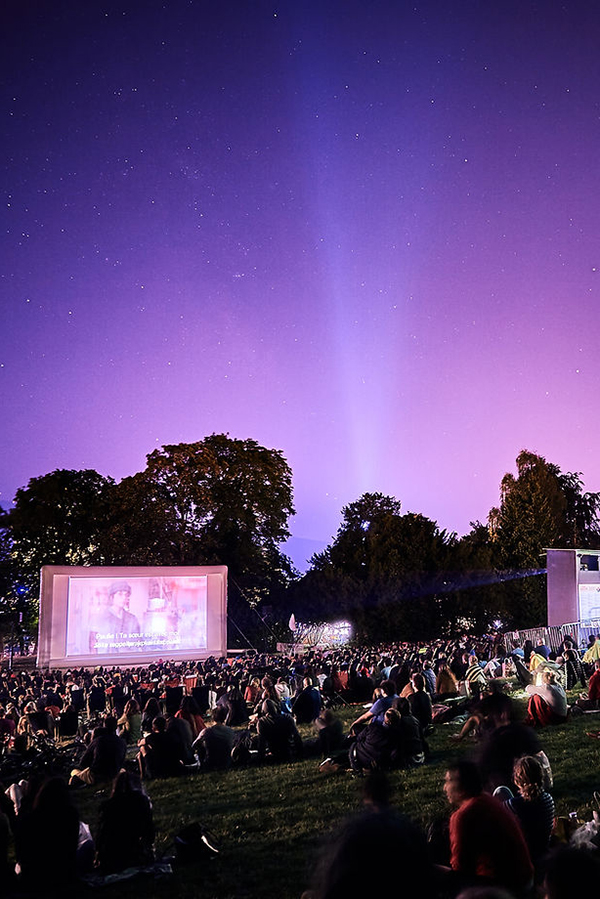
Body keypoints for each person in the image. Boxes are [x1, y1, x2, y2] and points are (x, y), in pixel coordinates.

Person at [443, 759, 534, 893]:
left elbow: (460, 867)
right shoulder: (488, 800)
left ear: (462, 786)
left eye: (449, 781)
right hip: (525, 877)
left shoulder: (463, 816)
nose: (445, 787)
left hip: (503, 886)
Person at [494, 755, 555, 866]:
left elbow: (495, 811)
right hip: (543, 848)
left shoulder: (516, 805)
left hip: (524, 853)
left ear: (517, 780)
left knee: (500, 792)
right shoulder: (548, 799)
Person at [96, 770, 154, 873]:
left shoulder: (108, 806)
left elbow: (100, 838)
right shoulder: (140, 803)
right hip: (131, 857)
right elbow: (149, 835)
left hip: (108, 859)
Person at [70, 716, 126, 786]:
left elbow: (83, 763)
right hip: (114, 774)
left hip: (97, 776)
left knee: (74, 772)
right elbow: (122, 761)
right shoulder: (122, 742)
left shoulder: (98, 740)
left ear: (104, 725)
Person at [194, 705, 236, 770]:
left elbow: (194, 745)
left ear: (212, 718)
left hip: (209, 763)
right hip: (226, 763)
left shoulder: (206, 731)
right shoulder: (230, 731)